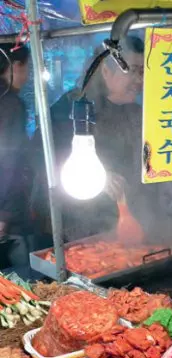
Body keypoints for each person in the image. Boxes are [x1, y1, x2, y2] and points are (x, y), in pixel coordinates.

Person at [31, 36, 146, 242]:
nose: (140, 80)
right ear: (105, 71)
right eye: (134, 70)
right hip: (74, 226)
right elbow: (40, 161)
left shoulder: (137, 112)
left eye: (144, 71)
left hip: (124, 220)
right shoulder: (71, 108)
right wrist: (97, 177)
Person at [0, 43, 31, 266]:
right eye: (27, 68)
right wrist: (5, 214)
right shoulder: (10, 104)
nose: (28, 76)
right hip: (7, 217)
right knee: (20, 285)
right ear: (15, 66)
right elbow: (11, 161)